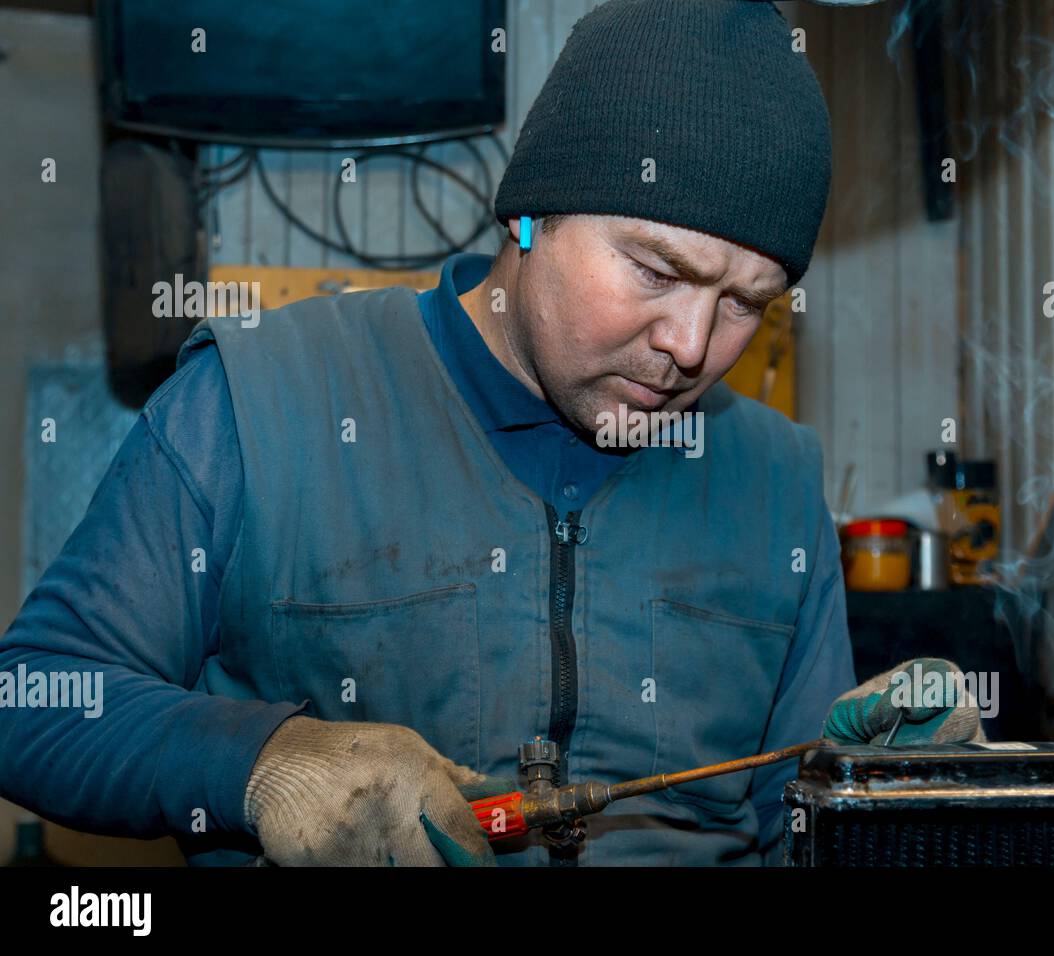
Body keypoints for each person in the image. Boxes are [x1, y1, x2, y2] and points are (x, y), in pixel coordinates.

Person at [0, 0, 982, 866]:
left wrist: (880, 784)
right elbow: (33, 698)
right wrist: (261, 761)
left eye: (745, 304)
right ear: (530, 215)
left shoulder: (775, 478)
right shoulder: (263, 402)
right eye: (654, 268)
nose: (690, 346)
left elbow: (792, 821)